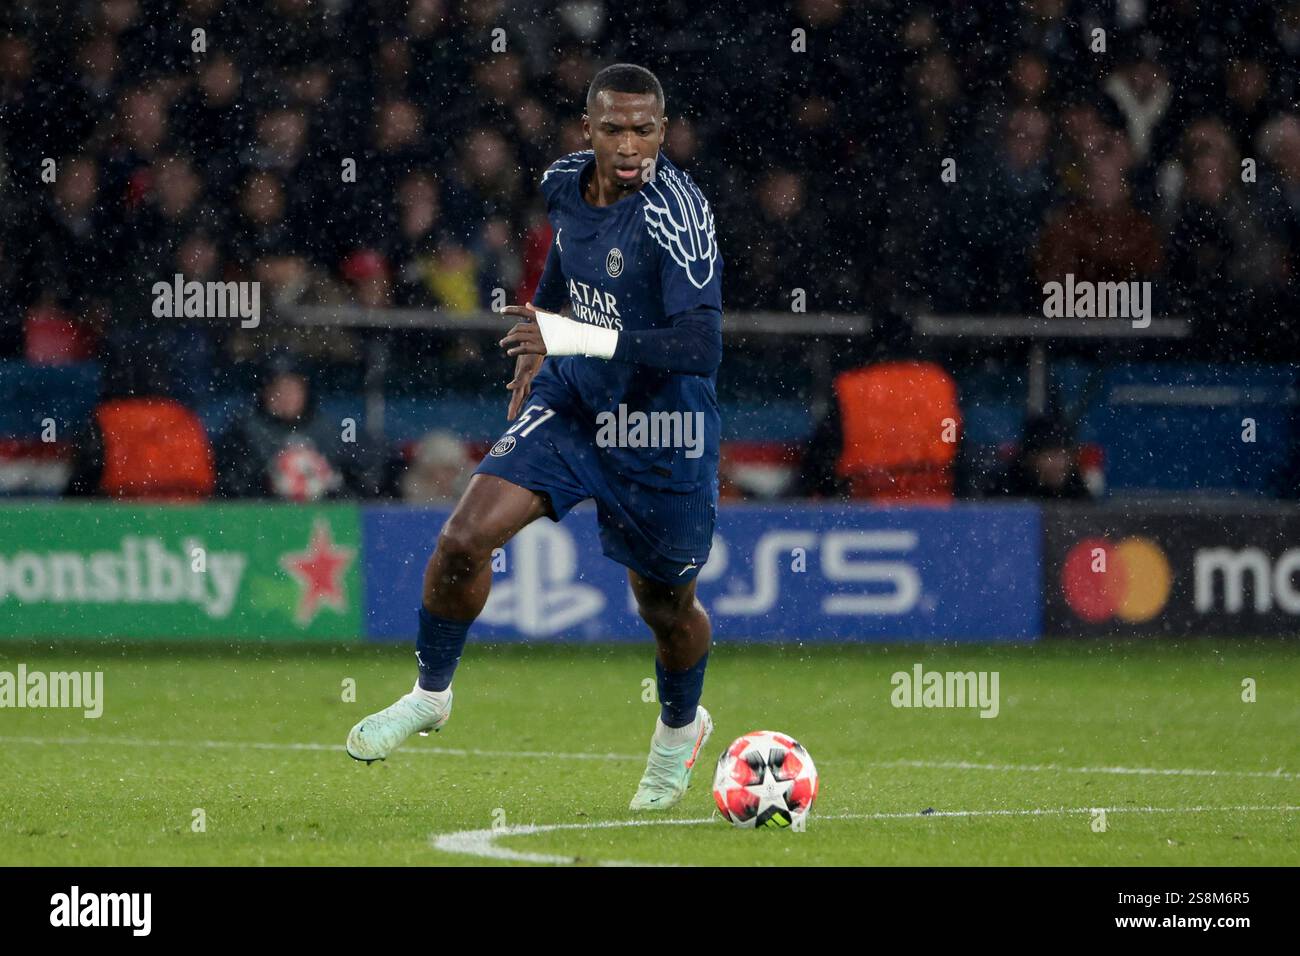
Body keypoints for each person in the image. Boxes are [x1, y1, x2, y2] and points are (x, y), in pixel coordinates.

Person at [347, 64, 723, 812]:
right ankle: (430, 694)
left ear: (663, 131)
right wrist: (544, 333)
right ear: (586, 129)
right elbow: (566, 263)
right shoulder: (562, 181)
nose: (629, 145)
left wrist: (577, 333)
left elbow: (702, 346)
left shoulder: (676, 213)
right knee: (463, 537)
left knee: (665, 607)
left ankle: (679, 733)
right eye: (612, 128)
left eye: (644, 130)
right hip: (575, 404)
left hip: (659, 429)